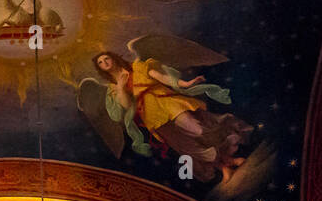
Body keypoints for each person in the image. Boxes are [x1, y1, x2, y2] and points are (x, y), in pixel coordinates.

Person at [93, 50, 250, 182]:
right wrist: (121, 87)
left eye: (106, 58)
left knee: (198, 130)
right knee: (187, 146)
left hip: (165, 101)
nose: (105, 62)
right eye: (101, 62)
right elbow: (127, 105)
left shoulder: (138, 67)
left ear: (113, 58)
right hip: (151, 116)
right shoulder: (113, 88)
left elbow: (162, 77)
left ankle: (228, 157)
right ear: (100, 68)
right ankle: (224, 166)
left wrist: (185, 84)